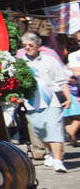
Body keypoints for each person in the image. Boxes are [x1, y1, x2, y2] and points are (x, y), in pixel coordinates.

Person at [18, 31, 70, 172]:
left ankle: (59, 160)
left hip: (51, 100)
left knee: (55, 129)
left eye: (30, 45)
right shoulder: (20, 62)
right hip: (32, 102)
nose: (28, 48)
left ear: (38, 44)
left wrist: (68, 98)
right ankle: (52, 153)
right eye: (25, 45)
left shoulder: (50, 60)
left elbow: (61, 80)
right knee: (41, 132)